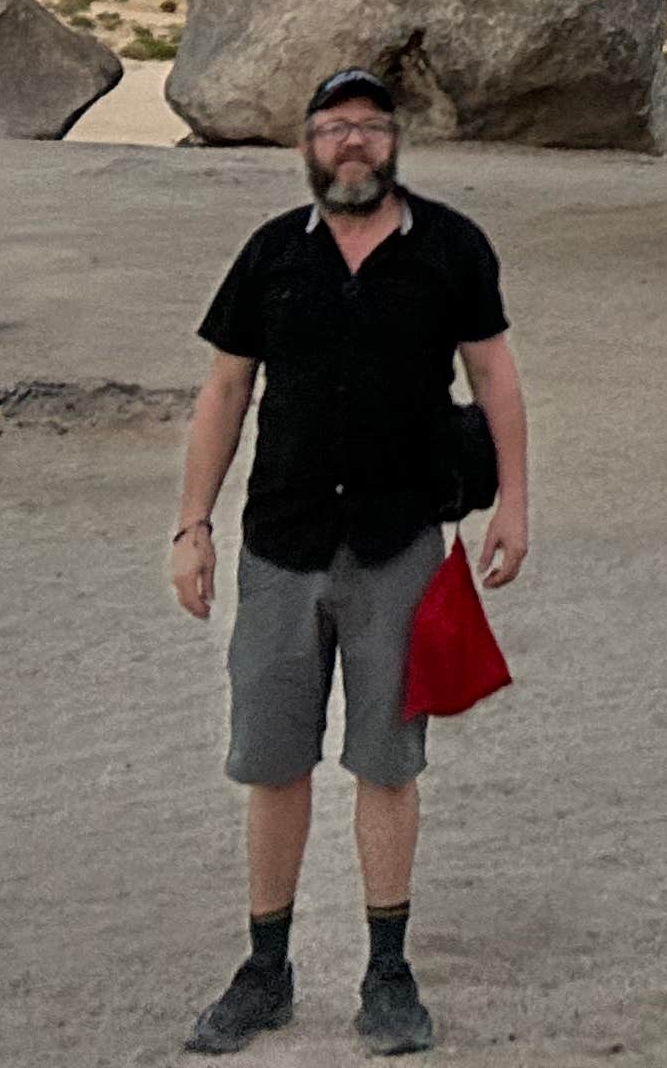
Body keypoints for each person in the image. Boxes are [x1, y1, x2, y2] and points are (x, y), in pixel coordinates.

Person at [169, 66, 529, 1055]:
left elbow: (494, 377)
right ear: (309, 147)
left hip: (398, 544)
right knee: (274, 763)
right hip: (282, 546)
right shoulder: (272, 255)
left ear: (394, 140)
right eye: (335, 127)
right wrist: (192, 526)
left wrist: (514, 505)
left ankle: (388, 972)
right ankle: (265, 971)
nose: (354, 142)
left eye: (370, 125)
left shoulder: (451, 248)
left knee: (386, 762)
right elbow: (225, 392)